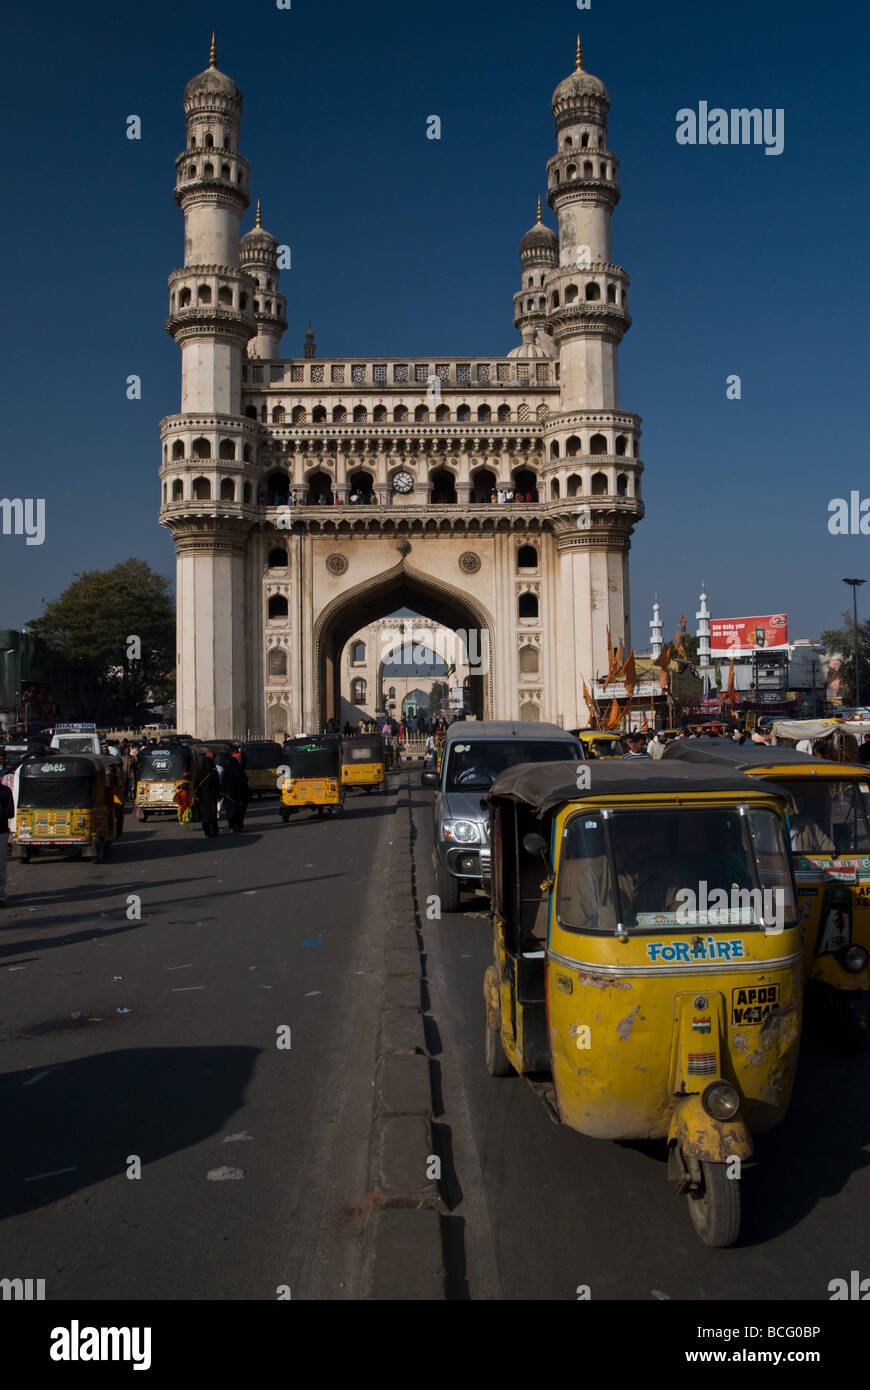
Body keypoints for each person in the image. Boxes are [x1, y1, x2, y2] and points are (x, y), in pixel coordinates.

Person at [195, 752, 221, 837]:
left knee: (205, 814)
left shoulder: (200, 772)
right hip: (212, 796)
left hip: (203, 797)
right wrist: (218, 795)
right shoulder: (214, 772)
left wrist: (197, 796)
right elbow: (217, 785)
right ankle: (214, 830)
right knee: (213, 813)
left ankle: (207, 831)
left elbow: (196, 785)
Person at [222, 749, 249, 833]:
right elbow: (245, 781)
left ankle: (232, 826)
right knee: (239, 810)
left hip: (229, 796)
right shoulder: (239, 771)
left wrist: (223, 792)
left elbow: (224, 783)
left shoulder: (226, 771)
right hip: (240, 795)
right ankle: (238, 825)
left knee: (230, 811)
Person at [0, 776, 14, 907]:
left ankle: (1, 896)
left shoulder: (5, 791)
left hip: (1, 832)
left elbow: (10, 812)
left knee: (0, 867)